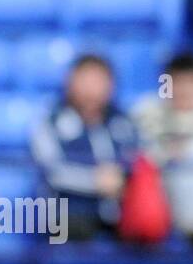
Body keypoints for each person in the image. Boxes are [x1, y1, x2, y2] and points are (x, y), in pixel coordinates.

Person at [30, 54, 139, 242]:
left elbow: (137, 158)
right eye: (85, 81)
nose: (91, 90)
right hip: (71, 211)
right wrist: (94, 181)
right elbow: (51, 170)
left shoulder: (123, 122)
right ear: (70, 83)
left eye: (98, 81)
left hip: (118, 211)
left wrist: (121, 177)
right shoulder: (50, 122)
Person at [132, 53, 193, 247]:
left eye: (191, 82)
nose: (184, 90)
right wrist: (166, 154)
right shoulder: (144, 114)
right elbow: (133, 153)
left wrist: (192, 150)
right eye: (177, 83)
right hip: (158, 194)